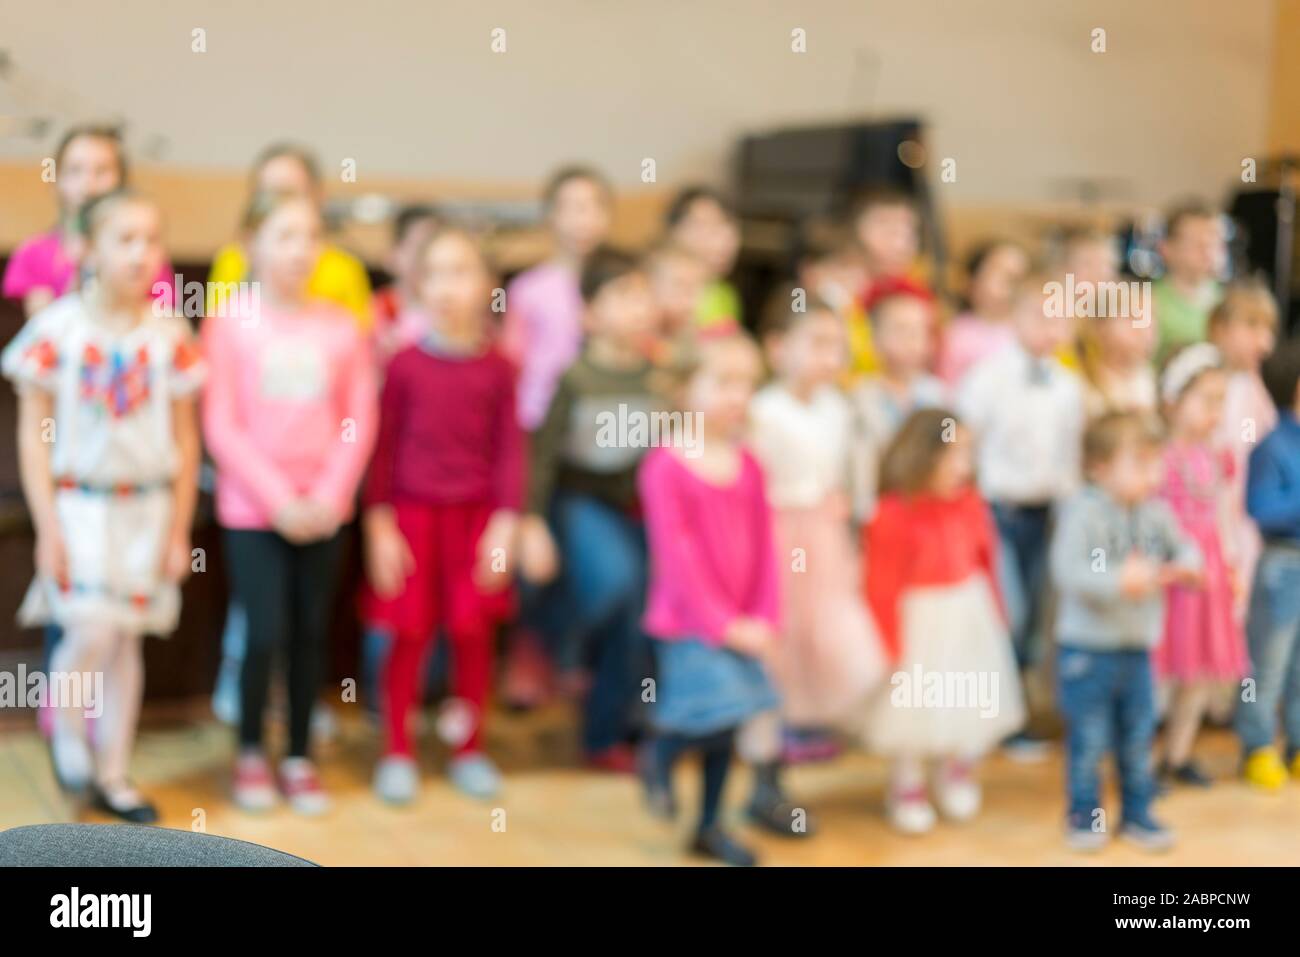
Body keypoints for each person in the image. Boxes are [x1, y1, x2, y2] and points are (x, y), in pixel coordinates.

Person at [2, 188, 203, 822]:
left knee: (125, 643)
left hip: (144, 509)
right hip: (80, 507)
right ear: (89, 247)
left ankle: (114, 773)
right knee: (91, 627)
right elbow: (34, 435)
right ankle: (68, 741)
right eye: (125, 239)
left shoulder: (170, 334)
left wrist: (177, 528)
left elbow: (186, 438)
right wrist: (48, 525)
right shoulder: (58, 329)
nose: (141, 253)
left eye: (152, 240)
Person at [202, 190, 378, 815]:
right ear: (253, 244)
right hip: (255, 512)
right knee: (265, 630)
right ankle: (251, 749)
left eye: (310, 236)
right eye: (284, 235)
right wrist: (278, 499)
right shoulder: (228, 322)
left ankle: (299, 754)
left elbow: (359, 416)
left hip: (326, 510)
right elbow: (222, 425)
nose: (299, 250)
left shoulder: (341, 325)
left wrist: (330, 495)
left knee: (311, 633)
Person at [362, 228, 523, 802]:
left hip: (476, 521)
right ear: (417, 284)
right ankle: (398, 750)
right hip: (409, 519)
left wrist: (505, 524)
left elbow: (509, 453)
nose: (447, 287)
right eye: (435, 273)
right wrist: (379, 526)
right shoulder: (402, 365)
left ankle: (467, 746)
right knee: (407, 637)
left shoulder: (500, 368)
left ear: (488, 286)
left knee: (473, 636)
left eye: (462, 272)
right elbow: (380, 453)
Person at [637, 331, 782, 865]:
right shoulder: (667, 467)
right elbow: (679, 563)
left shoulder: (749, 463)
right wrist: (721, 624)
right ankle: (661, 752)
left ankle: (708, 825)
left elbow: (769, 549)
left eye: (746, 383)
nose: (738, 395)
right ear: (684, 390)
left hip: (744, 621)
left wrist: (766, 615)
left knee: (729, 725)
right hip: (690, 624)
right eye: (723, 382)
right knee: (713, 714)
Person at [517, 247, 660, 770]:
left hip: (635, 512)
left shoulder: (657, 376)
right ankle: (563, 644)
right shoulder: (574, 378)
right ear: (590, 314)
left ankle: (609, 732)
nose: (636, 307)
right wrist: (531, 522)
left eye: (641, 295)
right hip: (578, 501)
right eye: (621, 295)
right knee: (615, 585)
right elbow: (542, 457)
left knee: (641, 612)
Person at [861, 408, 1025, 834]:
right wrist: (889, 644)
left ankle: (953, 770)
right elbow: (880, 584)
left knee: (963, 701)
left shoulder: (970, 503)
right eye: (952, 455)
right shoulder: (893, 512)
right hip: (919, 623)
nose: (963, 467)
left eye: (968, 455)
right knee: (915, 707)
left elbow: (986, 561)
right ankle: (908, 782)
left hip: (967, 615)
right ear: (921, 455)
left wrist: (999, 611)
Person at [750, 288, 882, 788]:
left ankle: (815, 715)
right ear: (778, 347)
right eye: (818, 343)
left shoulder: (840, 409)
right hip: (782, 533)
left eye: (837, 346)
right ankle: (780, 724)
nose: (831, 358)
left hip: (825, 534)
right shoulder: (763, 411)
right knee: (786, 628)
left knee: (829, 625)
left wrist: (855, 512)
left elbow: (853, 474)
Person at [1051, 412, 1201, 851]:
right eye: (1139, 463)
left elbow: (1183, 545)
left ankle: (1137, 814)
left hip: (1137, 650)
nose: (1152, 475)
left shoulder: (1155, 513)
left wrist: (1190, 566)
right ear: (1099, 466)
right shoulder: (1082, 513)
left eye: (1156, 463)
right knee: (1089, 740)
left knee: (1138, 738)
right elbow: (1071, 571)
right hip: (1087, 651)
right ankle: (1085, 816)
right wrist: (1118, 579)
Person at [498, 165, 614, 709]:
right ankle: (531, 650)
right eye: (570, 206)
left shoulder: (619, 285)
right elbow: (512, 365)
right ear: (550, 217)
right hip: (538, 431)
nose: (581, 219)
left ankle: (573, 654)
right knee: (535, 547)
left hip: (597, 442)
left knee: (590, 557)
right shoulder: (529, 289)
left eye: (593, 206)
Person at [957, 279, 1084, 754]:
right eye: (1041, 317)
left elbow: (1069, 457)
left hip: (1047, 514)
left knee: (1036, 619)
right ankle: (995, 716)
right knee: (1004, 612)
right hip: (997, 512)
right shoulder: (986, 377)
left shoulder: (1069, 386)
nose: (1052, 329)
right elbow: (966, 444)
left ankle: (1023, 712)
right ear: (1016, 316)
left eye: (1061, 319)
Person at [1153, 344, 1245, 785]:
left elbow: (1224, 515)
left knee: (1199, 671)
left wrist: (1229, 564)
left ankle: (1179, 753)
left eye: (1221, 401)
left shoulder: (1215, 457)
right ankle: (1144, 758)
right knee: (1163, 670)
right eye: (1206, 400)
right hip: (1170, 577)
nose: (1216, 411)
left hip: (1207, 577)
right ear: (1172, 401)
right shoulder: (1158, 457)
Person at [2, 125, 176, 318]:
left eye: (102, 171)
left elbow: (162, 321)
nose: (88, 183)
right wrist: (79, 269)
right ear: (56, 180)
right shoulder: (34, 253)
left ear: (122, 182)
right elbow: (45, 329)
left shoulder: (144, 253)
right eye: (75, 170)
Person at [207, 143, 373, 329]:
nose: (280, 206)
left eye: (290, 193)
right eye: (266, 194)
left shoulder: (345, 270)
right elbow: (219, 334)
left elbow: (358, 341)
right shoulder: (232, 261)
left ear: (319, 196)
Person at [1237, 340, 1300, 789]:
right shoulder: (1272, 444)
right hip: (1281, 566)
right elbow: (1259, 507)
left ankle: (1296, 745)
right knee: (1268, 663)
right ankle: (1257, 745)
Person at [1208, 280, 1280, 618]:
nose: (1263, 342)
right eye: (1251, 326)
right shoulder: (1207, 379)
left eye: (1268, 330)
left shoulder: (1257, 389)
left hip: (1243, 512)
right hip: (1208, 505)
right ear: (1220, 327)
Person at [848, 277, 946, 521]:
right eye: (900, 330)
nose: (911, 341)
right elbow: (860, 464)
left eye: (920, 331)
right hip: (883, 513)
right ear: (874, 337)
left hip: (930, 511)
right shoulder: (860, 397)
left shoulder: (938, 395)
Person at [846, 185, 931, 376]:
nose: (899, 242)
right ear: (855, 233)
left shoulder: (921, 293)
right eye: (886, 227)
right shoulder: (842, 294)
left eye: (908, 231)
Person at [937, 239, 1029, 386]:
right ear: (970, 281)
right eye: (1002, 274)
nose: (1012, 284)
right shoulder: (955, 334)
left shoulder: (1030, 331)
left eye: (1018, 277)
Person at [1152, 200, 1226, 364]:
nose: (1207, 249)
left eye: (1213, 241)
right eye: (1195, 242)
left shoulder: (1228, 301)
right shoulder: (1148, 303)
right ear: (1165, 249)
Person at [663, 186, 743, 328]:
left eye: (727, 226)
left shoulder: (725, 294)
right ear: (674, 232)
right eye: (704, 226)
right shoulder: (659, 288)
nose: (722, 241)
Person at [371, 203, 441, 363]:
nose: (427, 260)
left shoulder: (452, 313)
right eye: (419, 249)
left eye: (433, 250)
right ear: (392, 256)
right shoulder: (374, 311)